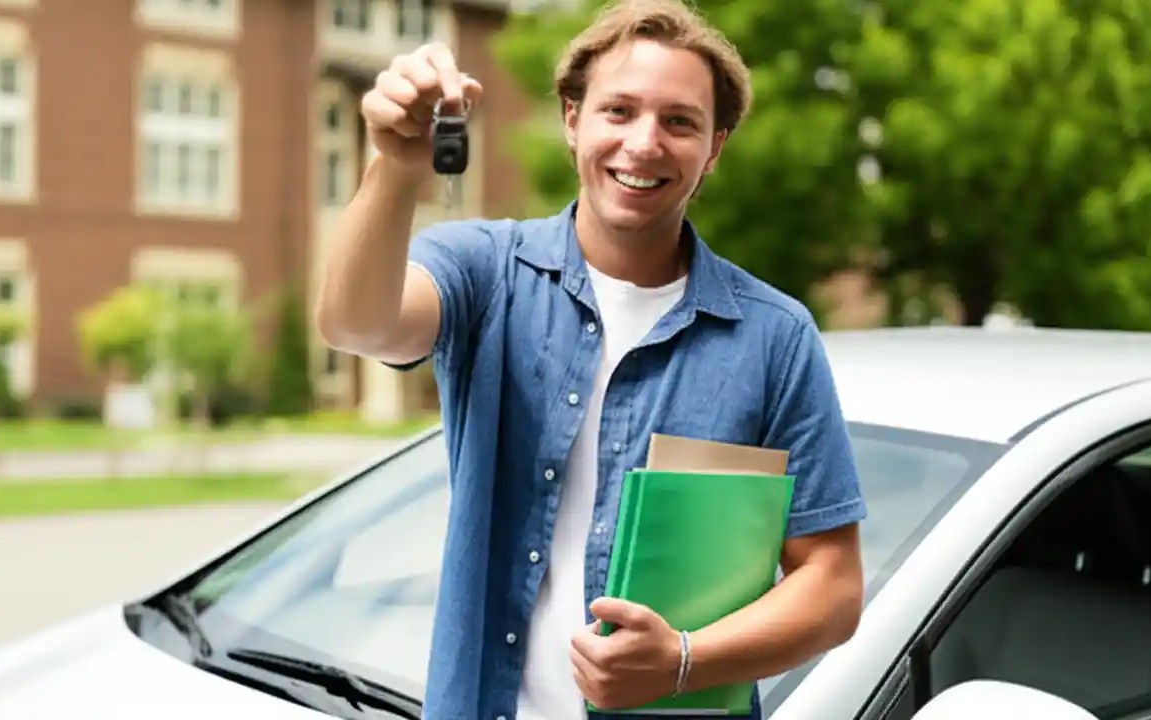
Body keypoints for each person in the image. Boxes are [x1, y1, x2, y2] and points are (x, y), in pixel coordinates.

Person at [314, 0, 867, 717]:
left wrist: (683, 663)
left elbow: (832, 586)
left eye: (679, 121)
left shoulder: (775, 337)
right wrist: (394, 166)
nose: (644, 143)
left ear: (715, 147)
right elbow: (357, 324)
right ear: (572, 120)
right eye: (619, 111)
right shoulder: (487, 273)